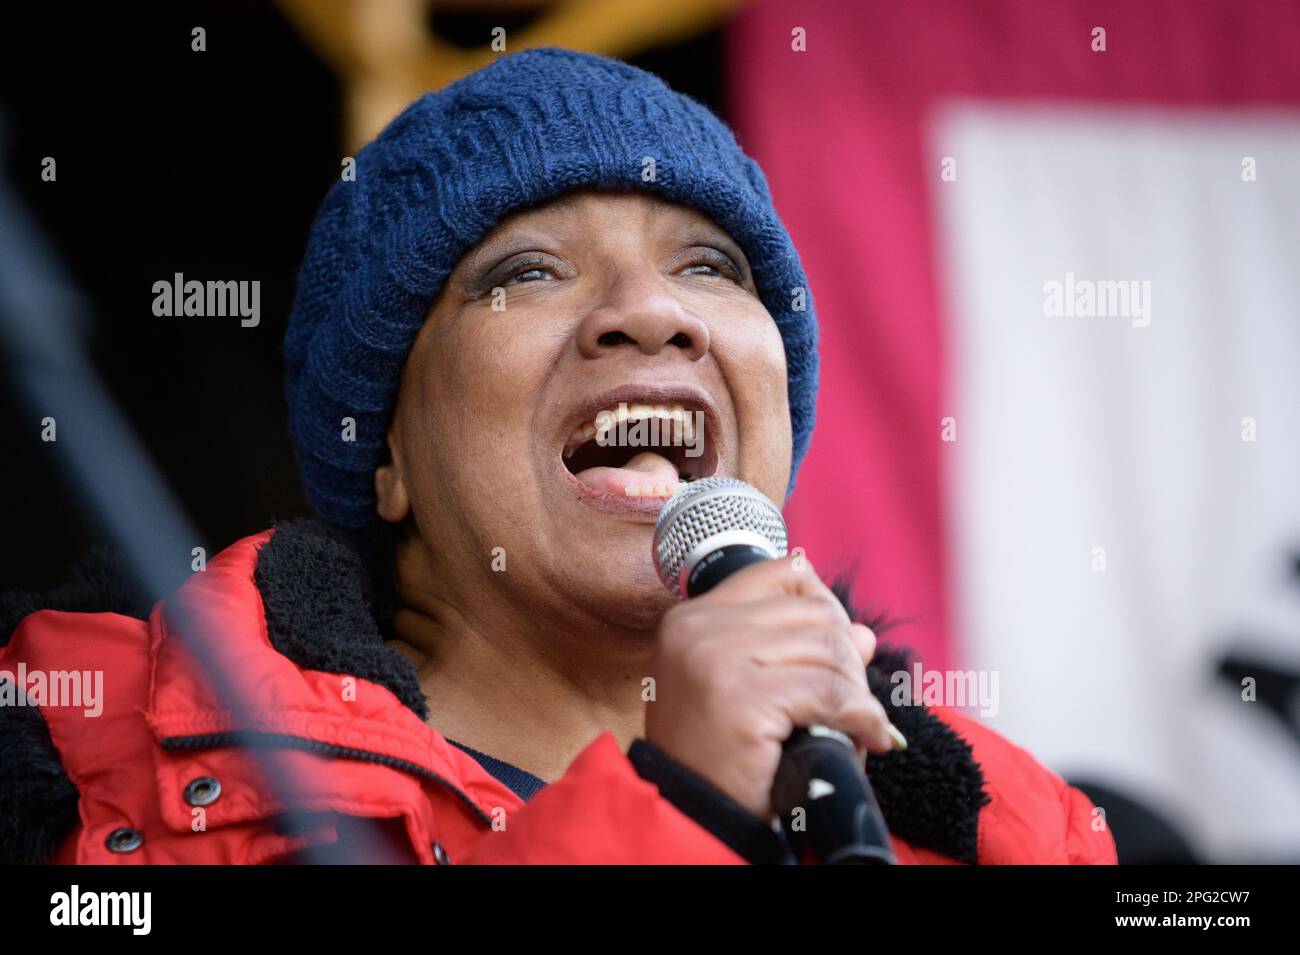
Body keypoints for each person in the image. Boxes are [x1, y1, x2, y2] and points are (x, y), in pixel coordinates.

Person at [0, 48, 1115, 865]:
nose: (650, 313)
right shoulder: (88, 753)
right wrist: (678, 811)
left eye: (712, 268)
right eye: (528, 272)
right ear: (382, 449)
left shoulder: (1009, 826)